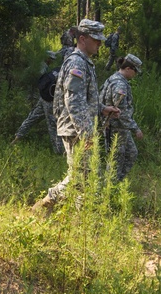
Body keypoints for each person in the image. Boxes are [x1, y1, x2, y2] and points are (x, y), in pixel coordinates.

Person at [35, 19, 120, 210]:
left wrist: (102, 108)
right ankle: (68, 211)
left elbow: (84, 97)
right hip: (75, 128)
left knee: (83, 174)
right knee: (82, 175)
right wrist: (86, 133)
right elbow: (73, 102)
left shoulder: (84, 62)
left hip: (78, 127)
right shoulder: (77, 63)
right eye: (96, 39)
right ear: (82, 39)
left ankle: (55, 206)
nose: (100, 43)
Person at [12, 29, 75, 154]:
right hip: (52, 98)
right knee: (53, 126)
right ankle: (59, 152)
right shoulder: (68, 61)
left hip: (44, 96)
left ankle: (17, 138)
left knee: (32, 117)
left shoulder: (56, 61)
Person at [99, 54, 144, 181]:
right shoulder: (119, 84)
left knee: (131, 153)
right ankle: (110, 186)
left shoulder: (117, 79)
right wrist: (136, 129)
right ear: (128, 68)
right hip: (115, 127)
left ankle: (117, 182)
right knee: (115, 160)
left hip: (122, 128)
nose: (135, 74)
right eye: (135, 71)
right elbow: (121, 112)